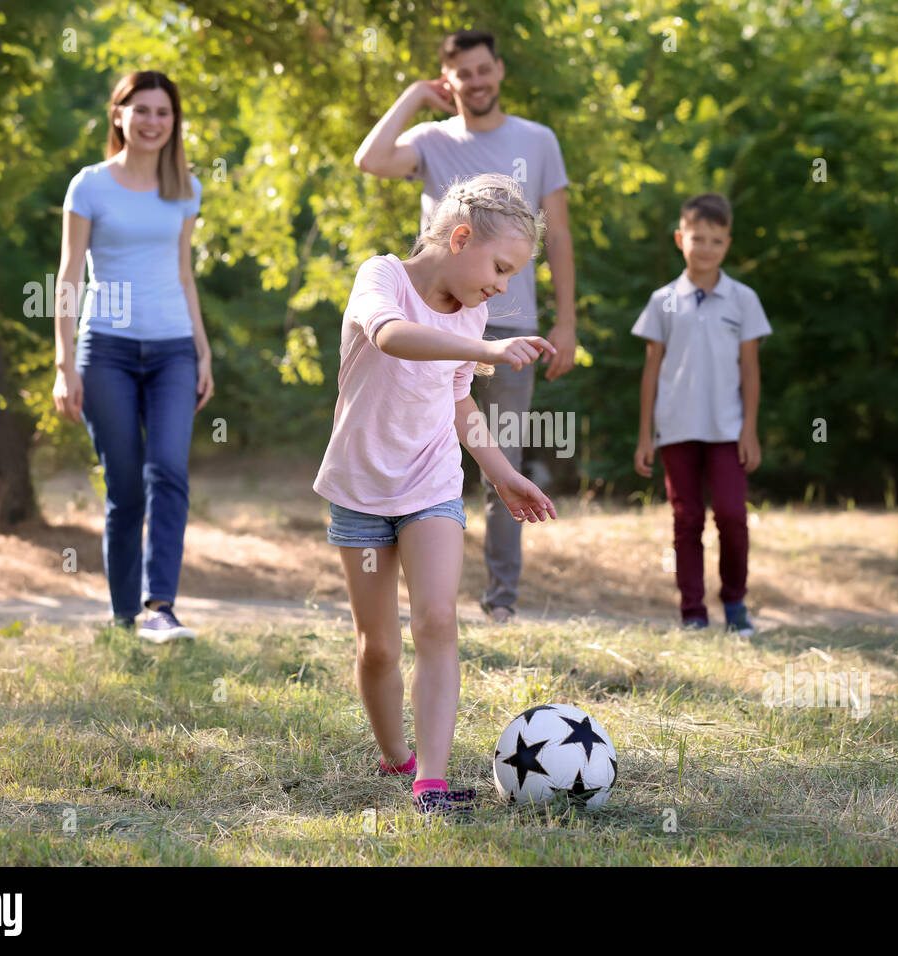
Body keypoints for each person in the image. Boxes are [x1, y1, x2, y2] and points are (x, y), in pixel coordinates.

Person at [312, 174, 557, 818]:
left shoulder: (474, 311)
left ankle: (432, 783)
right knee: (380, 646)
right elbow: (393, 337)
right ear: (459, 237)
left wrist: (500, 472)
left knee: (437, 621)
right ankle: (397, 758)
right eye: (500, 267)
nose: (502, 286)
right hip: (361, 489)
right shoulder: (382, 278)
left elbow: (456, 398)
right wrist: (487, 349)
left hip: (432, 483)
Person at [353, 28, 578, 625]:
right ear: (447, 80)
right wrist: (411, 96)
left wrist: (567, 320)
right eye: (462, 74)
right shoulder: (430, 140)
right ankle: (426, 592)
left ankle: (501, 600)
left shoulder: (537, 139)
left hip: (515, 329)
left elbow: (556, 234)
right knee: (428, 447)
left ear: (499, 70)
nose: (476, 82)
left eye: (484, 69)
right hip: (433, 320)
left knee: (500, 454)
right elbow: (370, 160)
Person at [52, 71, 214, 644]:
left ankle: (160, 607)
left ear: (175, 122)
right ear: (118, 115)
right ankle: (124, 617)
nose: (152, 121)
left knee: (167, 469)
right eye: (140, 110)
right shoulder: (89, 185)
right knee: (125, 485)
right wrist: (63, 363)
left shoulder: (185, 188)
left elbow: (184, 274)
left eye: (163, 112)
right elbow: (69, 276)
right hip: (107, 351)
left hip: (173, 349)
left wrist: (202, 350)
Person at [632, 194, 771, 635]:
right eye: (697, 238)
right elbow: (651, 368)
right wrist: (644, 436)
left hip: (728, 429)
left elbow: (750, 367)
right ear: (680, 238)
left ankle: (734, 603)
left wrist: (750, 429)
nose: (706, 248)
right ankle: (692, 611)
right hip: (675, 429)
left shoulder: (743, 300)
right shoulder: (663, 301)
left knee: (731, 514)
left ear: (728, 244)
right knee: (686, 518)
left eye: (716, 240)